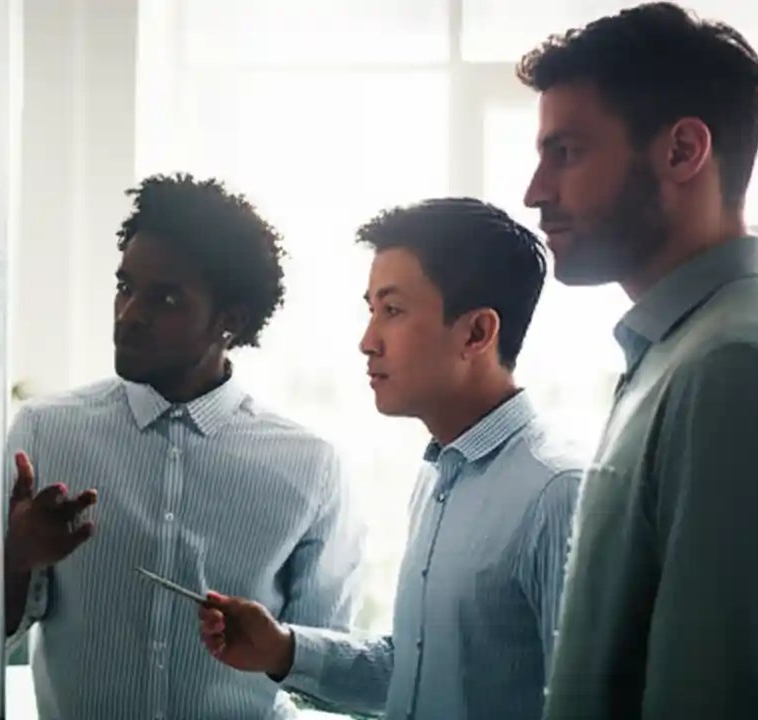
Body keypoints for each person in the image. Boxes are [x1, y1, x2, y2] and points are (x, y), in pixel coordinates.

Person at [197, 198, 584, 720]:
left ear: (476, 333)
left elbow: (592, 700)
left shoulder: (557, 492)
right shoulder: (439, 477)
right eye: (371, 310)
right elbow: (419, 673)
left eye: (393, 311)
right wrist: (283, 651)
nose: (367, 341)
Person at [517, 4, 758, 717]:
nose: (535, 192)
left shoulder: (733, 366)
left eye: (567, 153)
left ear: (681, 152)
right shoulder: (680, 353)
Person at [2, 172, 366, 719]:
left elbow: (319, 675)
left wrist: (280, 647)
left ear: (231, 321)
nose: (128, 316)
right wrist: (15, 559)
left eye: (165, 298)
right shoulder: (45, 432)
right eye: (125, 287)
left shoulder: (309, 466)